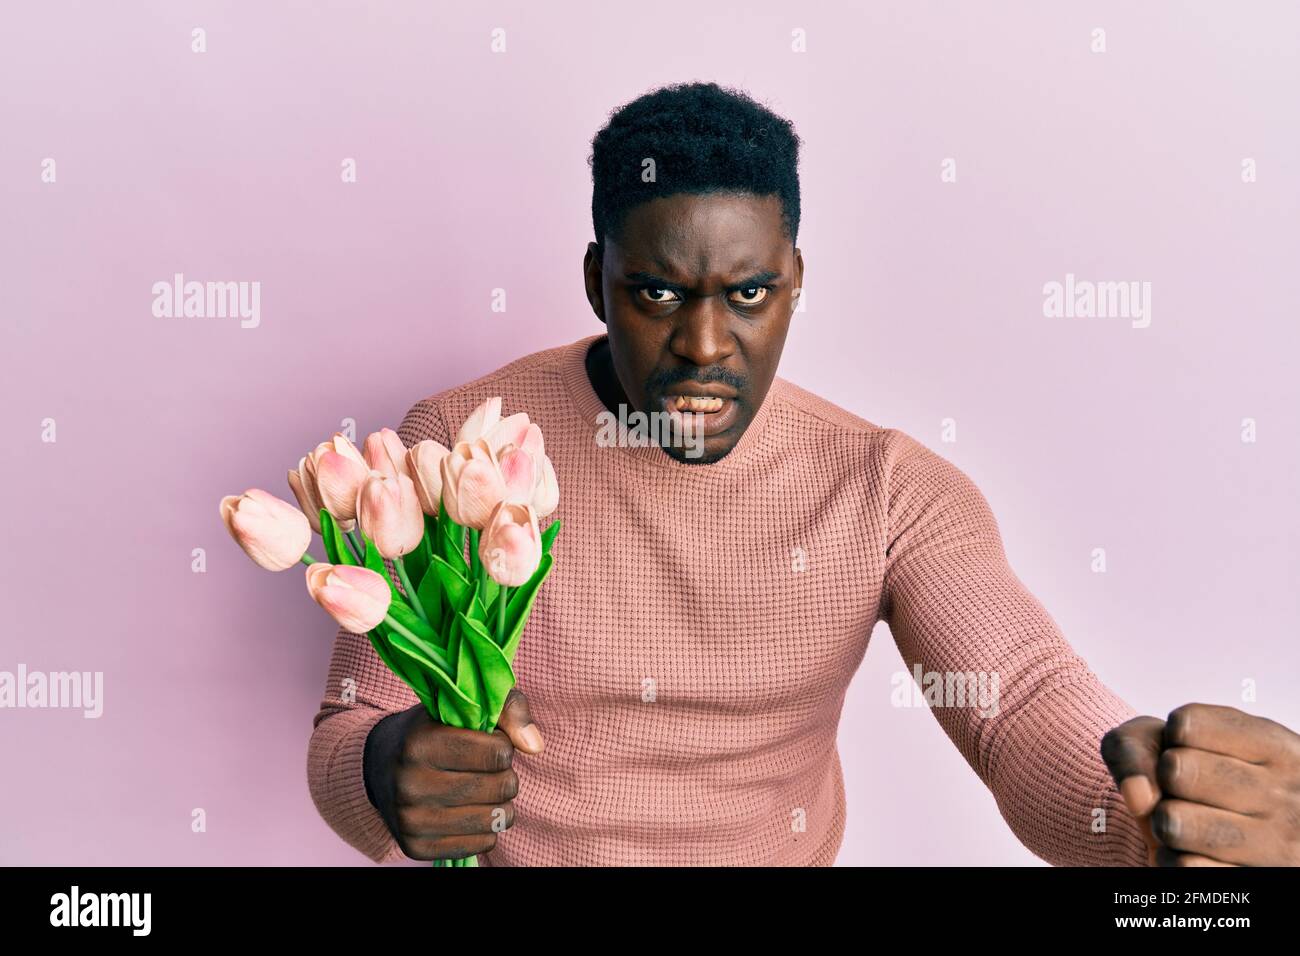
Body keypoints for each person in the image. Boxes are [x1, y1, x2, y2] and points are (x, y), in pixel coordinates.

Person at [307, 81, 1300, 866]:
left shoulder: (886, 487)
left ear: (794, 283)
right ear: (594, 280)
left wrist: (1153, 820)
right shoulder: (464, 441)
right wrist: (387, 764)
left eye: (746, 293)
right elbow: (346, 729)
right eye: (655, 291)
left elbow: (1028, 702)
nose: (705, 343)